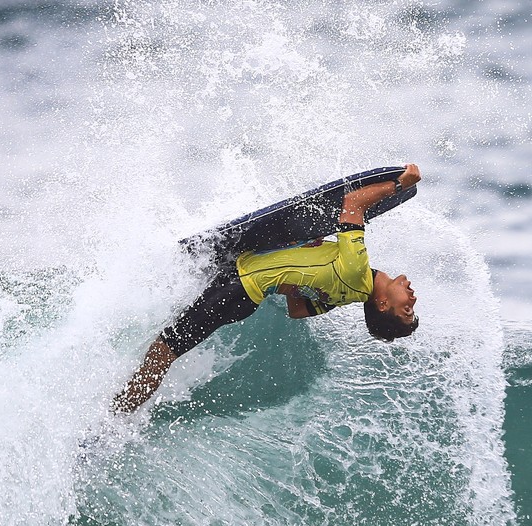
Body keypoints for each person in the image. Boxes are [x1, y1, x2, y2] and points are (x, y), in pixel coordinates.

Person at [113, 163, 422, 413]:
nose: (413, 297)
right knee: (163, 352)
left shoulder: (355, 272)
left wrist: (399, 185)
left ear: (383, 305)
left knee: (161, 355)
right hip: (242, 293)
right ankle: (121, 411)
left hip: (235, 288)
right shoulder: (350, 292)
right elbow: (298, 310)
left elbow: (351, 203)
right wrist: (294, 276)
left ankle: (115, 418)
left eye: (407, 308)